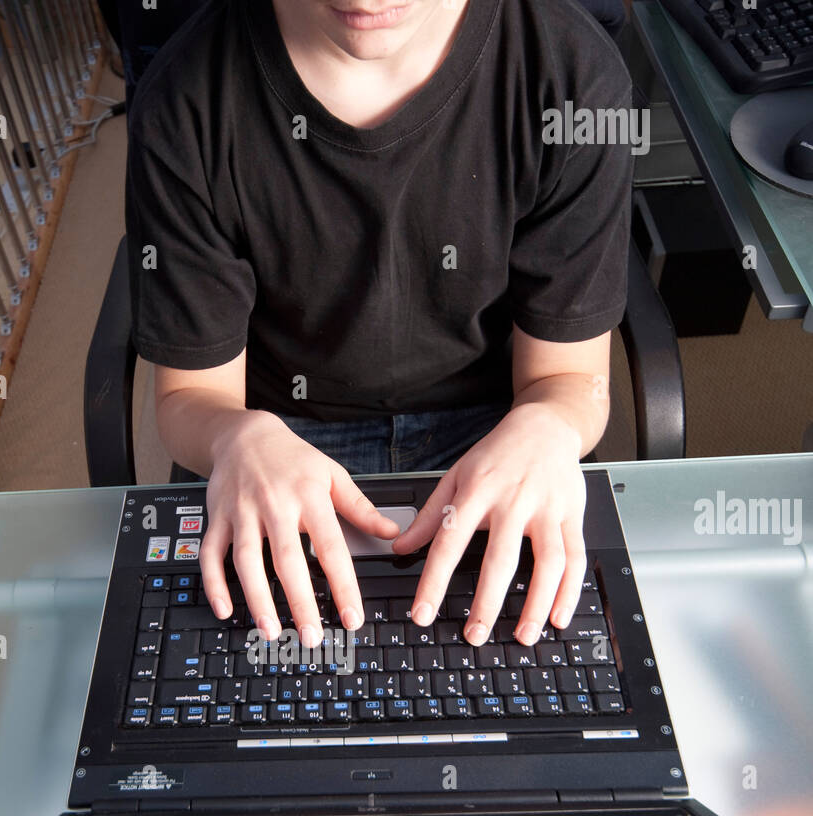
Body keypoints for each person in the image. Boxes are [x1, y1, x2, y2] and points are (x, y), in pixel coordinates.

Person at [127, 0, 634, 651]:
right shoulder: (184, 100)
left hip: (500, 425)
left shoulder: (575, 78)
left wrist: (549, 424)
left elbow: (570, 377)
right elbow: (187, 397)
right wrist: (233, 437)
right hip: (284, 438)